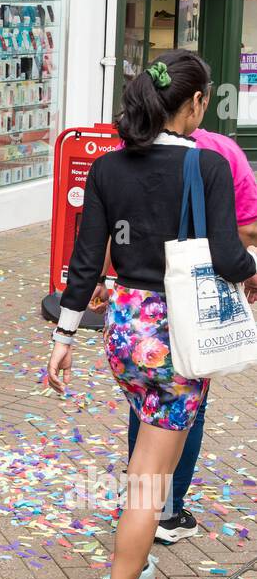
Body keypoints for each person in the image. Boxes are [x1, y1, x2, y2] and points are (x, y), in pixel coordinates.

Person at [48, 50, 257, 579]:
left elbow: (85, 262)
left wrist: (63, 338)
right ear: (193, 104)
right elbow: (228, 256)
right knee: (150, 481)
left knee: (146, 457)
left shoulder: (108, 168)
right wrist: (253, 269)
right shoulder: (206, 165)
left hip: (124, 332)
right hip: (176, 338)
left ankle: (137, 574)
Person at [93, 125, 257, 545]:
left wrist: (96, 286)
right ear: (198, 101)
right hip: (185, 314)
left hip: (130, 317)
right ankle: (163, 512)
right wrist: (250, 269)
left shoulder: (123, 151)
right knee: (185, 413)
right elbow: (244, 234)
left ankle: (141, 509)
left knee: (145, 409)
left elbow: (113, 230)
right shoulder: (217, 154)